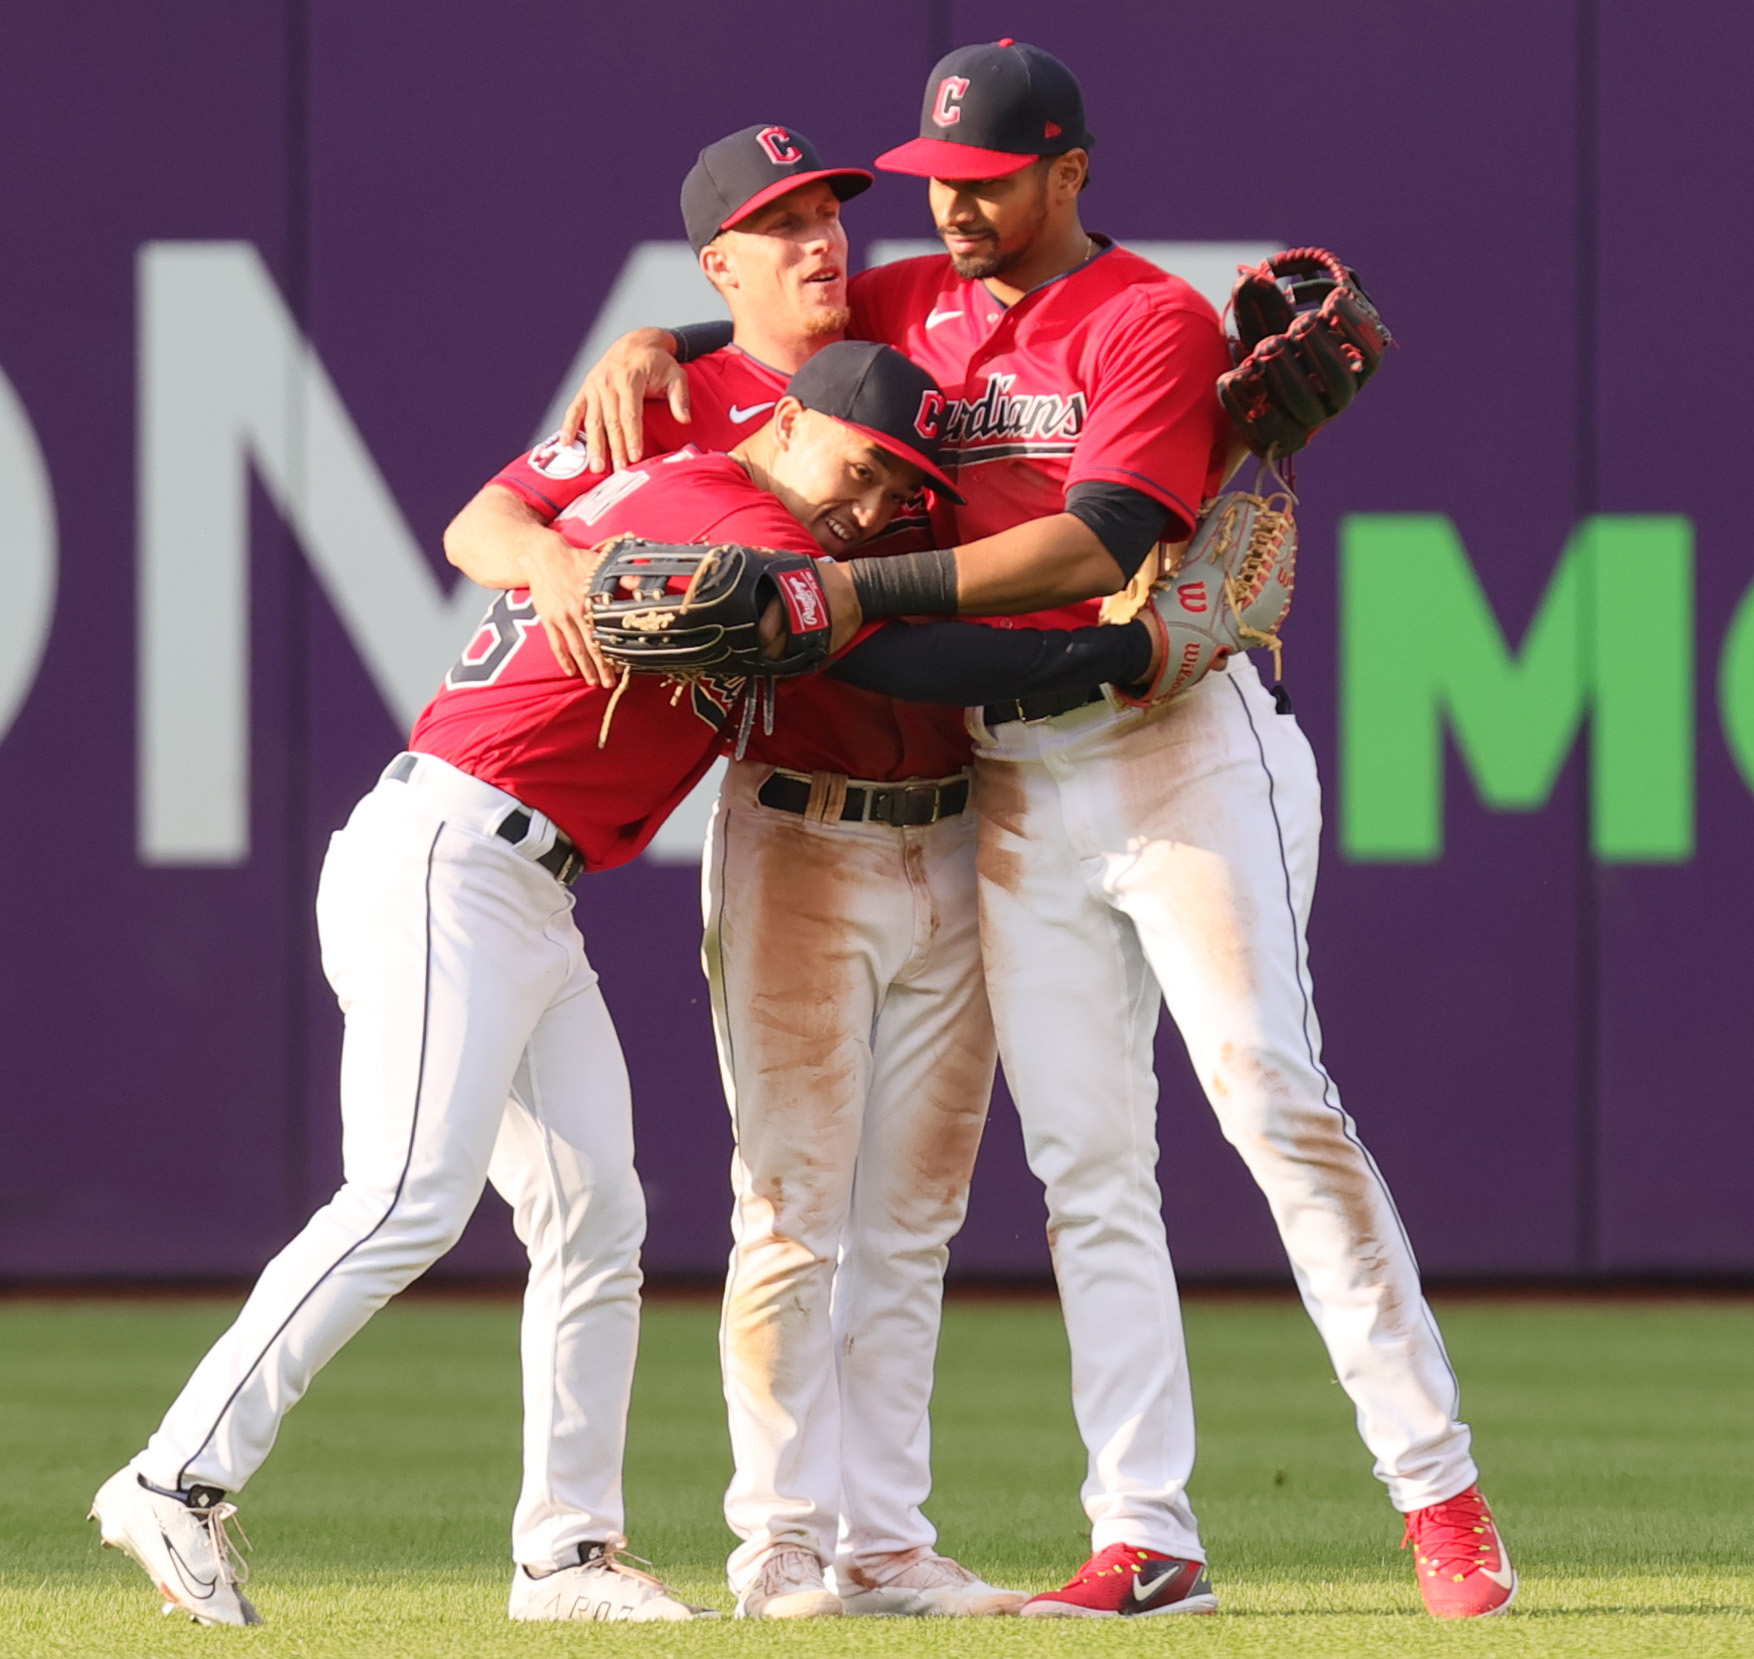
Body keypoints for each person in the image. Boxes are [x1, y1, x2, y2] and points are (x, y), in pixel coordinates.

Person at [557, 41, 1516, 1624]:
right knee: (1085, 1162)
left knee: (1268, 1095)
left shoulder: (1146, 316)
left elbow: (1102, 537)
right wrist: (654, 342)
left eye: (989, 183)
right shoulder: (901, 304)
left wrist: (855, 592)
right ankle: (1147, 1535)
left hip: (1171, 740)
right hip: (1010, 772)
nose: (954, 209)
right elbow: (763, 338)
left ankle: (1436, 1485)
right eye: (937, 182)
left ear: (1069, 171)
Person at [91, 338, 1163, 1628]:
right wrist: (1123, 654)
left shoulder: (706, 492)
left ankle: (564, 1557)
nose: (877, 507)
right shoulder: (730, 513)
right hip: (450, 859)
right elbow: (896, 659)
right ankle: (175, 1478)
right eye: (868, 468)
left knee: (595, 1218)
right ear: (788, 421)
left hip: (526, 887)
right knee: (407, 1196)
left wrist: (671, 341)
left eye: (901, 492)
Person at [448, 124, 1058, 1621]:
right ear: (721, 257)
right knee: (790, 1207)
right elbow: (485, 519)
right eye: (783, 226)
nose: (821, 242)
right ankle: (780, 1541)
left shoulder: (899, 346)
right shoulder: (674, 403)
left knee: (913, 1218)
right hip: (794, 820)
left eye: (829, 214)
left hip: (953, 816)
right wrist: (560, 556)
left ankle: (884, 1545)